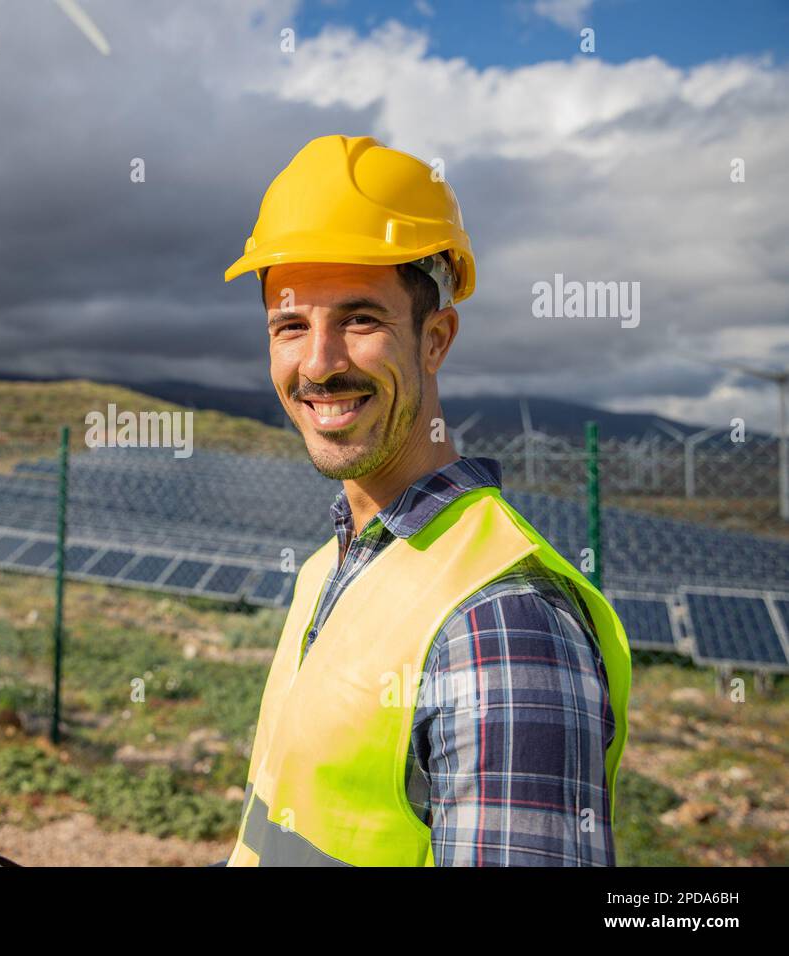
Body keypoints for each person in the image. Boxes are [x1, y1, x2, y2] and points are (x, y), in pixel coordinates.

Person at [221, 135, 631, 866]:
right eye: (291, 326)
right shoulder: (332, 565)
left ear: (435, 337)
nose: (318, 364)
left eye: (360, 319)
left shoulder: (501, 625)